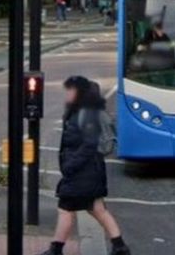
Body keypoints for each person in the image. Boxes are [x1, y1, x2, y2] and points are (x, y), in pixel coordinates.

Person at [39, 76, 130, 255]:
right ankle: (120, 247)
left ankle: (56, 249)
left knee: (65, 209)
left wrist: (71, 166)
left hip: (82, 172)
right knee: (97, 209)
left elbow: (89, 145)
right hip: (90, 171)